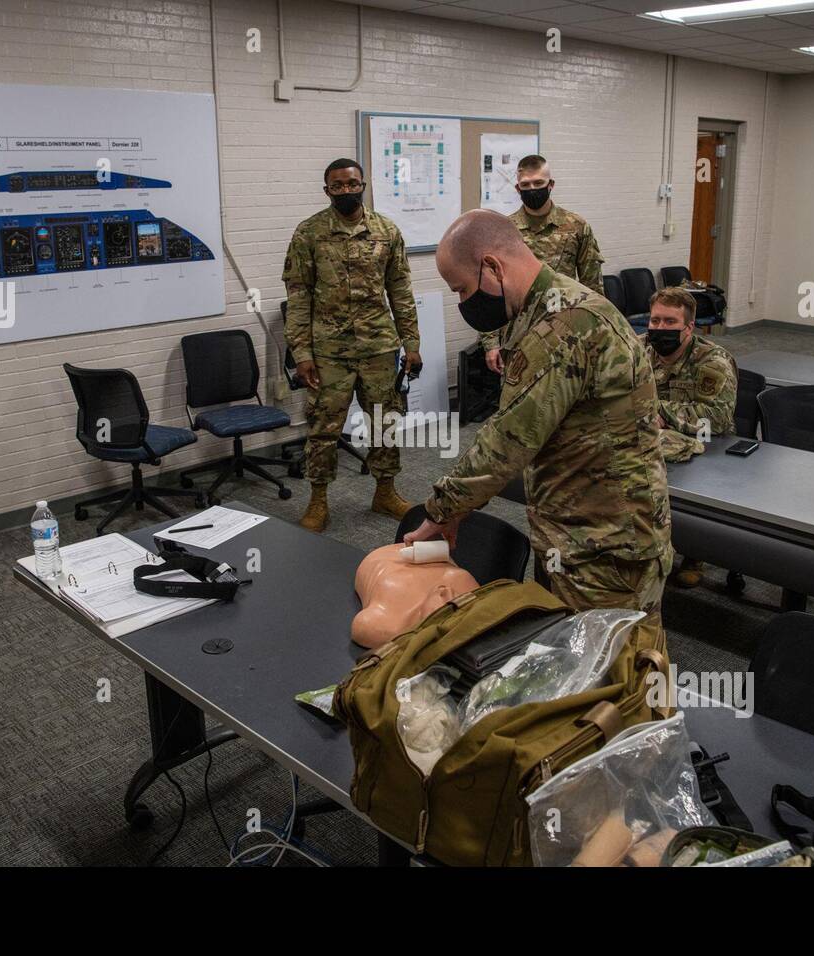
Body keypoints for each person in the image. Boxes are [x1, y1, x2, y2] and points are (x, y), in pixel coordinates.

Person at [405, 210, 673, 646]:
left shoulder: (563, 327)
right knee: (576, 671)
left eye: (462, 289)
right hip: (576, 531)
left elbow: (505, 442)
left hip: (604, 547)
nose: (463, 303)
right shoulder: (546, 309)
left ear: (491, 266)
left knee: (615, 681)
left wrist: (442, 511)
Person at [283, 158, 422, 532]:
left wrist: (411, 343)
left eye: (352, 183)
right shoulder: (309, 233)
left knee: (385, 422)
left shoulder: (386, 231)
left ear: (364, 184)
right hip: (329, 351)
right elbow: (298, 297)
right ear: (326, 190)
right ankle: (318, 501)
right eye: (337, 185)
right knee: (323, 428)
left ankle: (385, 492)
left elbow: (401, 290)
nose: (346, 190)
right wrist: (302, 353)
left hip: (379, 345)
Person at [645, 286, 738, 588]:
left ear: (688, 327)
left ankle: (695, 551)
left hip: (709, 450)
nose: (660, 328)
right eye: (655, 321)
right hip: (654, 440)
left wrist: (662, 413)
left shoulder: (712, 360)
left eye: (669, 322)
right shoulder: (637, 349)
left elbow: (718, 420)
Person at [482, 155, 604, 375]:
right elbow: (491, 291)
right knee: (517, 401)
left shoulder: (576, 227)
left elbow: (593, 286)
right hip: (518, 335)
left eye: (538, 183)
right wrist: (491, 344)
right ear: (518, 189)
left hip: (565, 331)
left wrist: (595, 335)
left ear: (551, 185)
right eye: (526, 185)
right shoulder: (504, 230)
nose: (532, 189)